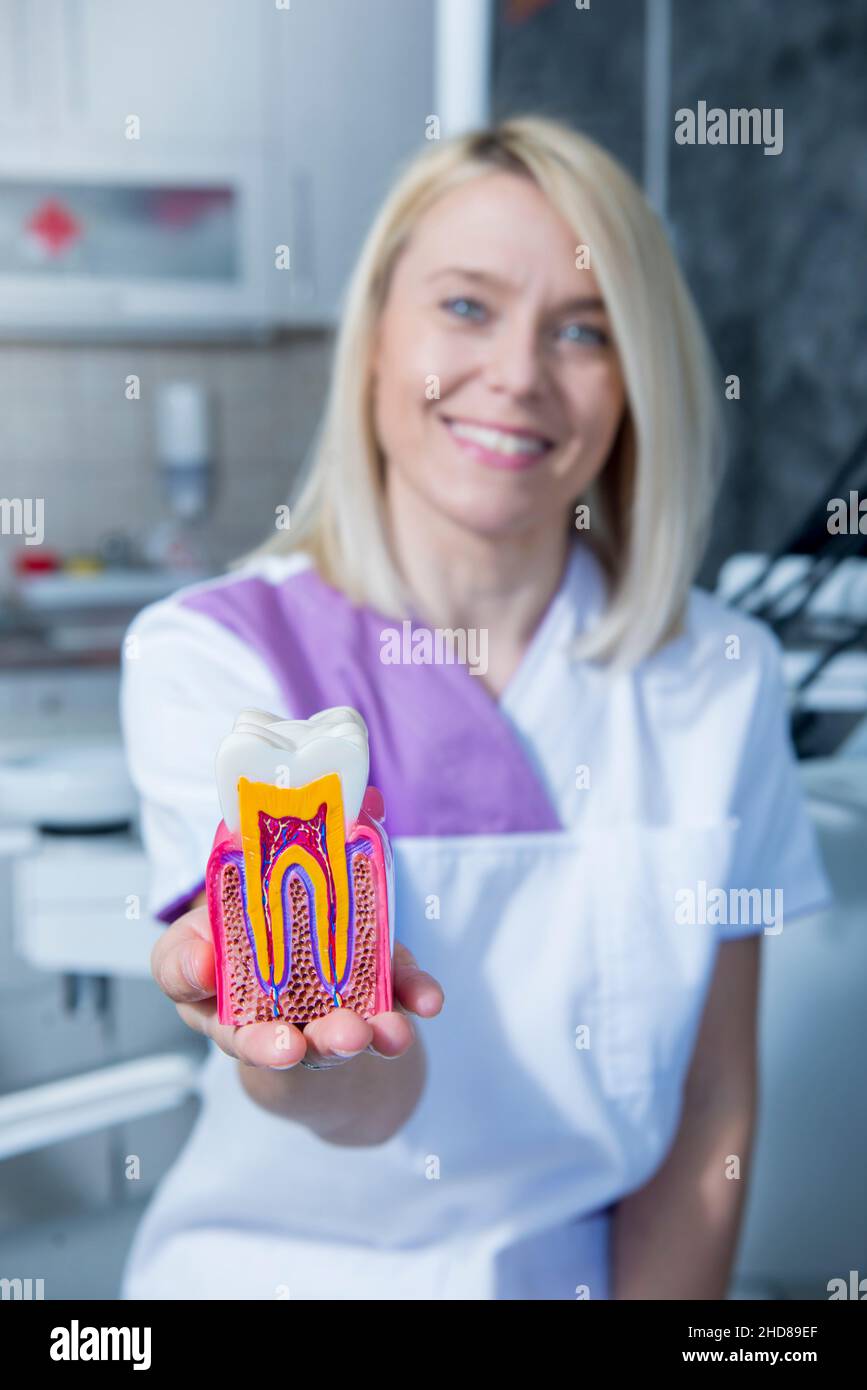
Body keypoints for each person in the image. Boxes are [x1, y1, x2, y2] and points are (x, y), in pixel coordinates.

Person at [119, 116, 831, 1300]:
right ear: (377, 341)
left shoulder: (722, 678)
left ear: (632, 380)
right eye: (465, 307)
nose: (517, 373)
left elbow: (712, 1108)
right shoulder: (216, 657)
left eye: (583, 330)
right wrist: (313, 1043)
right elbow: (351, 1105)